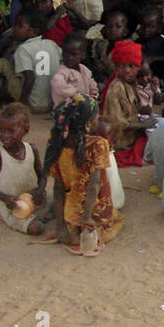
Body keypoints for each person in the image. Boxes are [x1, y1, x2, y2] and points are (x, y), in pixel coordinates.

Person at [46, 94, 122, 256]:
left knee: (71, 232)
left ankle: (73, 233)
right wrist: (86, 218)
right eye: (96, 118)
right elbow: (94, 185)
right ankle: (87, 234)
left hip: (70, 211)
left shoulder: (56, 142)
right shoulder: (98, 144)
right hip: (94, 210)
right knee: (113, 222)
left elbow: (58, 187)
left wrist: (60, 224)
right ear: (87, 124)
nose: (98, 120)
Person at [0, 102, 47, 236]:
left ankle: (40, 213)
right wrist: (4, 198)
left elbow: (42, 176)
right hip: (13, 207)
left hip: (35, 199)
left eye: (11, 131)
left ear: (25, 131)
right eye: (2, 130)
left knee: (60, 201)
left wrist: (39, 190)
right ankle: (38, 217)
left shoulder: (31, 149)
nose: (5, 135)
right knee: (36, 228)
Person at [100, 39, 151, 166]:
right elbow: (117, 122)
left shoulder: (131, 83)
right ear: (116, 67)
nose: (127, 70)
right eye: (121, 66)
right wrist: (143, 125)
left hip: (130, 135)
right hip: (120, 141)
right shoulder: (116, 88)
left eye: (131, 66)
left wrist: (142, 111)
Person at [9, 8, 62, 114]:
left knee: (3, 64)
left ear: (33, 31)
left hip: (35, 105)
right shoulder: (51, 44)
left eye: (20, 26)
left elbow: (30, 77)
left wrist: (22, 104)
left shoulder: (23, 49)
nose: (15, 28)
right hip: (54, 102)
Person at [49, 31, 98, 110]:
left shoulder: (84, 70)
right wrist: (77, 95)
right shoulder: (62, 72)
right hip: (66, 110)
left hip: (84, 105)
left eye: (73, 54)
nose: (69, 58)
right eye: (66, 54)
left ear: (83, 55)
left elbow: (91, 82)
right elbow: (58, 85)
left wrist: (93, 92)